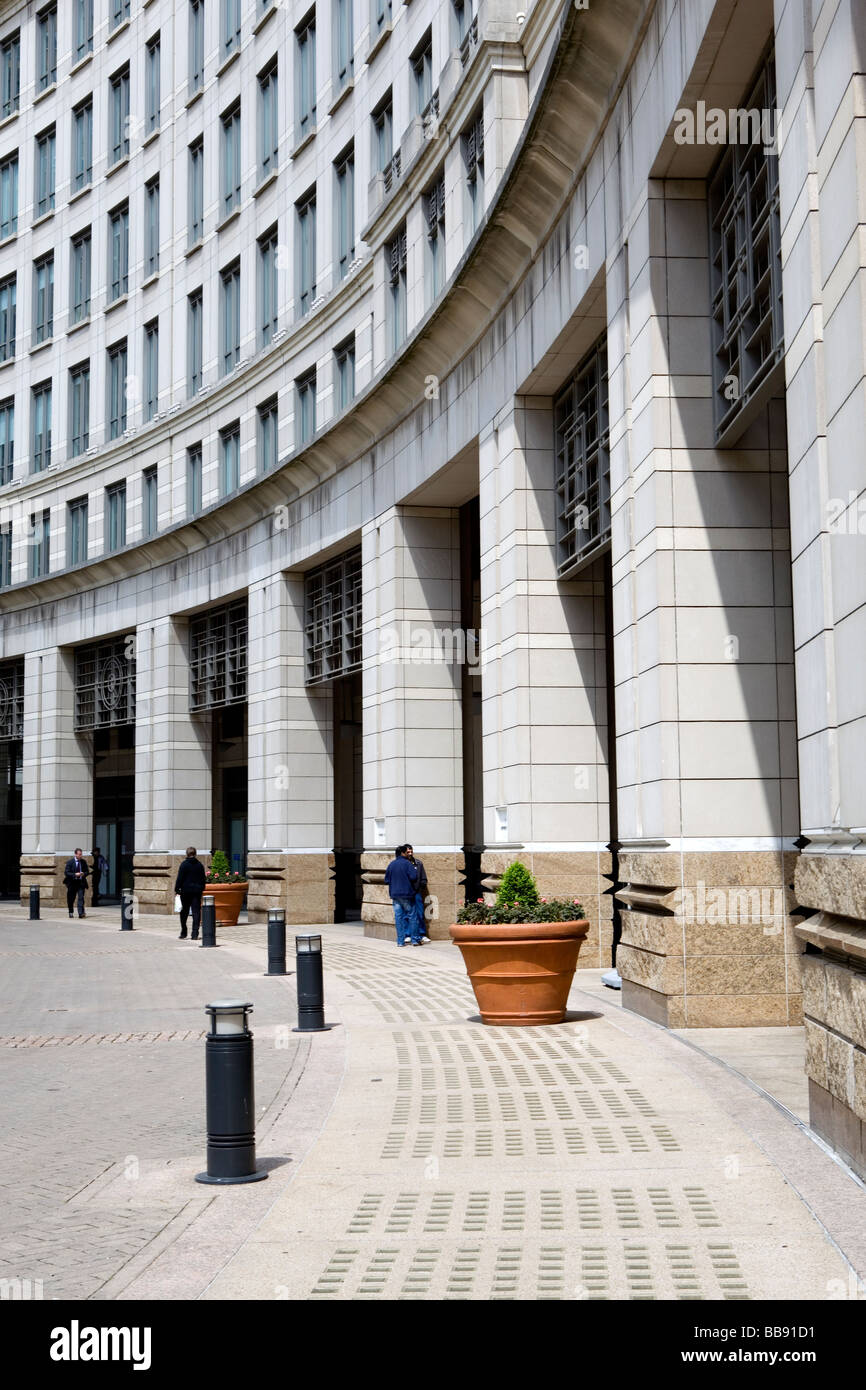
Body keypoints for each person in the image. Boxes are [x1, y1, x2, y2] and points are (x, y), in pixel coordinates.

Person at [383, 845, 420, 947]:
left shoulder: (391, 865)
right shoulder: (408, 864)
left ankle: (400, 941)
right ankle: (415, 940)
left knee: (398, 917)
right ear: (403, 853)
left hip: (395, 895)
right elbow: (413, 877)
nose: (408, 854)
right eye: (406, 852)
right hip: (407, 894)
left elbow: (386, 880)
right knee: (412, 916)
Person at [174, 847, 206, 940]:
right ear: (195, 854)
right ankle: (195, 933)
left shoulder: (184, 864)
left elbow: (180, 878)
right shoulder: (199, 865)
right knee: (196, 913)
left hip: (185, 891)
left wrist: (177, 889)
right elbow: (203, 878)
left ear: (187, 854)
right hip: (196, 892)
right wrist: (202, 888)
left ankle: (184, 932)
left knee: (184, 912)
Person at [405, 845, 431, 944]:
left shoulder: (418, 863)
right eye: (408, 852)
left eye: (411, 851)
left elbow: (423, 878)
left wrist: (421, 886)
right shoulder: (403, 864)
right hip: (406, 894)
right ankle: (408, 935)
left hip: (417, 893)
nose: (410, 853)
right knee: (407, 914)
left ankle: (422, 934)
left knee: (419, 914)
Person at [63, 849, 89, 919]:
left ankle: (80, 913)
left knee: (81, 898)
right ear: (75, 854)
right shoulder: (70, 862)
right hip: (72, 883)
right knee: (71, 898)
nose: (80, 856)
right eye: (79, 854)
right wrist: (75, 874)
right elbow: (66, 873)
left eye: (81, 854)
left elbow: (87, 871)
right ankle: (71, 912)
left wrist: (83, 874)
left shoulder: (83, 862)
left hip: (80, 883)